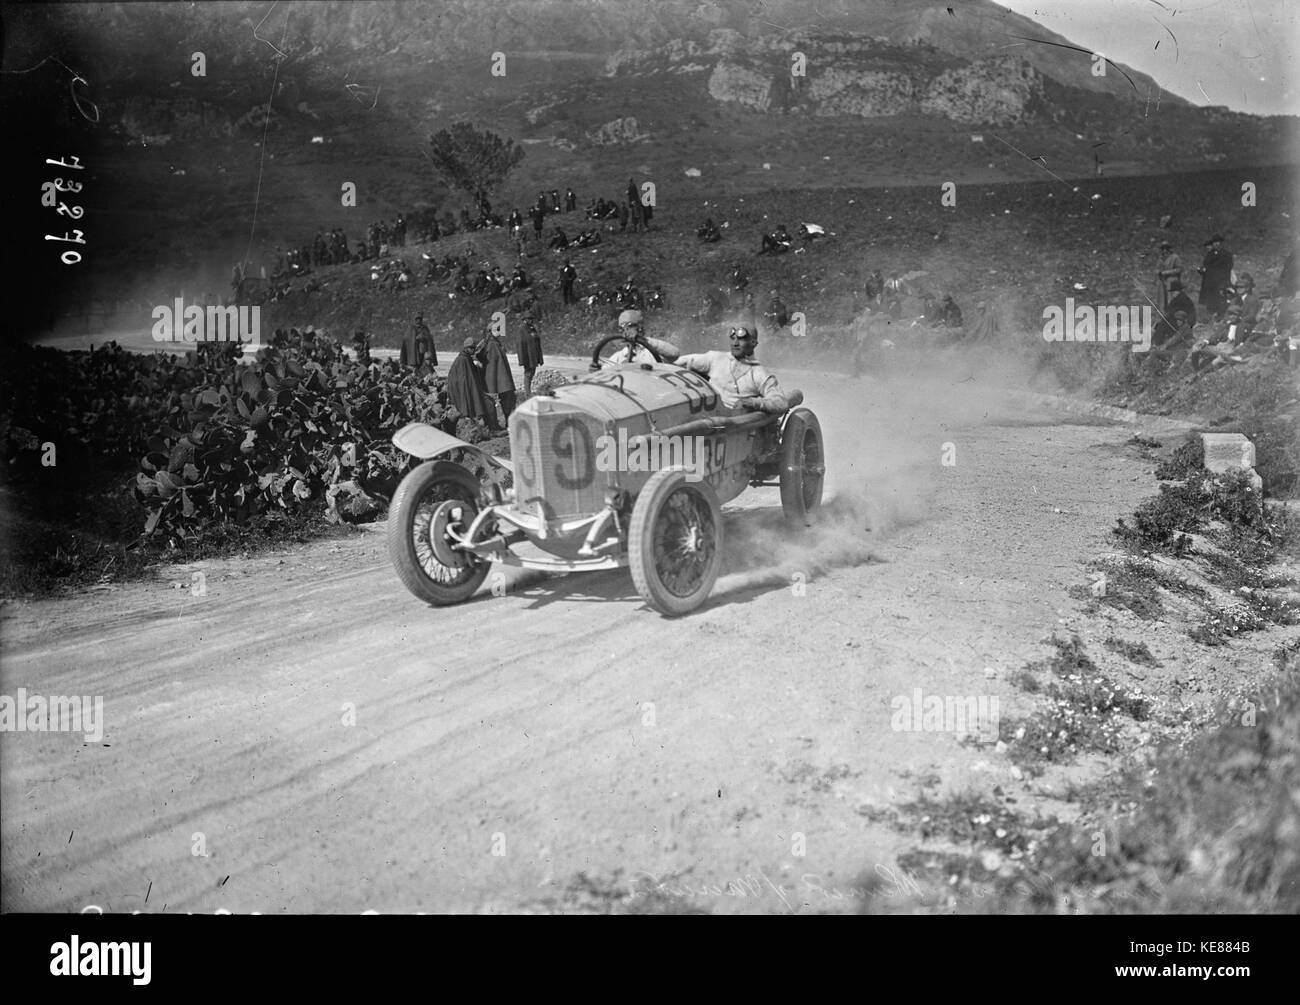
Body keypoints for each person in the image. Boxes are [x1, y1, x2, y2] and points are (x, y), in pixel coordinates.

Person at [674, 325, 790, 414]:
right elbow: (682, 361)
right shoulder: (715, 358)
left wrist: (752, 402)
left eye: (741, 339)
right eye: (733, 338)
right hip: (705, 415)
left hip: (733, 425)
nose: (735, 343)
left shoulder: (758, 373)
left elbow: (781, 402)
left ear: (753, 343)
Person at [447, 336, 498, 430]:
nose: (473, 350)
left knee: (488, 402)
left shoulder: (466, 358)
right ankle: (492, 428)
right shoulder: (463, 360)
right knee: (488, 404)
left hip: (469, 389)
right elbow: (465, 383)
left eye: (474, 348)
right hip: (463, 392)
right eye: (471, 348)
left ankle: (492, 427)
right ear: (466, 348)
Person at [601, 310, 681, 366]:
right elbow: (603, 372)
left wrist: (645, 341)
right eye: (622, 328)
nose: (625, 331)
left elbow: (674, 354)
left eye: (629, 326)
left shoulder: (652, 352)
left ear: (639, 328)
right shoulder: (618, 357)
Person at [476, 326, 517, 424]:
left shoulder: (496, 343)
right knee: (505, 398)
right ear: (490, 331)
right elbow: (475, 354)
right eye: (496, 330)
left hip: (501, 376)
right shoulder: (487, 344)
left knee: (508, 398)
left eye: (499, 329)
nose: (499, 332)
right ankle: (505, 422)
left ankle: (509, 421)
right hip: (495, 377)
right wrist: (479, 364)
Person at [1197, 233, 1234, 319]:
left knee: (1220, 299)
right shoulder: (1210, 254)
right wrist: (1201, 270)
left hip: (1221, 281)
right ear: (1212, 244)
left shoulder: (1226, 254)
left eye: (1218, 242)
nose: (1217, 244)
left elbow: (1229, 267)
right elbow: (1205, 266)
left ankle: (1220, 316)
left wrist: (1216, 272)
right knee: (1210, 299)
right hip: (1210, 282)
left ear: (1221, 243)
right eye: (1215, 242)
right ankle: (1211, 315)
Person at [1155, 240, 1182, 315]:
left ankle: (1172, 315)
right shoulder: (1161, 258)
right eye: (1163, 249)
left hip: (1172, 281)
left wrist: (1167, 272)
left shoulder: (1175, 257)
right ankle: (1163, 315)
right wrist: (1158, 272)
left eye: (1166, 248)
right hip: (1162, 282)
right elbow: (1157, 268)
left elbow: (1179, 269)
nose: (1165, 250)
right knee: (1162, 300)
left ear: (1170, 249)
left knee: (1171, 300)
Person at [518, 318, 544, 396]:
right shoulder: (522, 330)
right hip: (527, 356)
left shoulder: (532, 328)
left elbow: (537, 343)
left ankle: (528, 391)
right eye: (529, 319)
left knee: (532, 372)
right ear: (524, 320)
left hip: (534, 355)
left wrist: (540, 358)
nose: (531, 320)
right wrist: (522, 359)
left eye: (531, 318)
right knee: (528, 373)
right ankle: (527, 393)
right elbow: (520, 344)